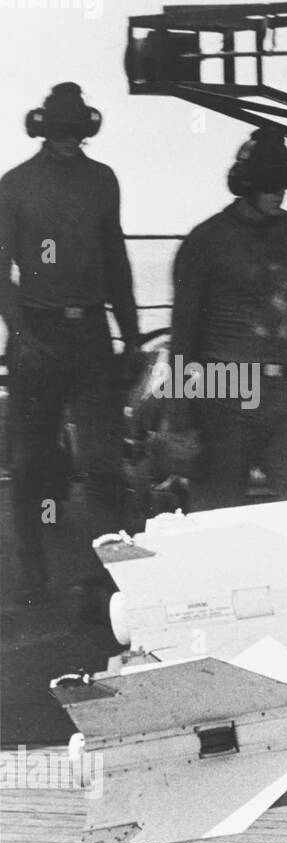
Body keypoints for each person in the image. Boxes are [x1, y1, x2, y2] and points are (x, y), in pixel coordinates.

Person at [0, 82, 139, 608]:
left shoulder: (102, 181)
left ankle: (109, 581)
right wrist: (22, 332)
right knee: (31, 466)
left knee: (105, 465)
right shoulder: (14, 185)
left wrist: (129, 336)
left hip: (92, 338)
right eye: (60, 132)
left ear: (85, 132)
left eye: (75, 133)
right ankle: (33, 580)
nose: (68, 141)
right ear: (44, 130)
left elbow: (116, 260)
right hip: (37, 336)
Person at [169, 126, 287, 514]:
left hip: (286, 392)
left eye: (285, 181)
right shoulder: (205, 241)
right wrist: (180, 417)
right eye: (269, 183)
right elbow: (183, 335)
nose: (279, 192)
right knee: (217, 517)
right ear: (245, 184)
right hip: (224, 390)